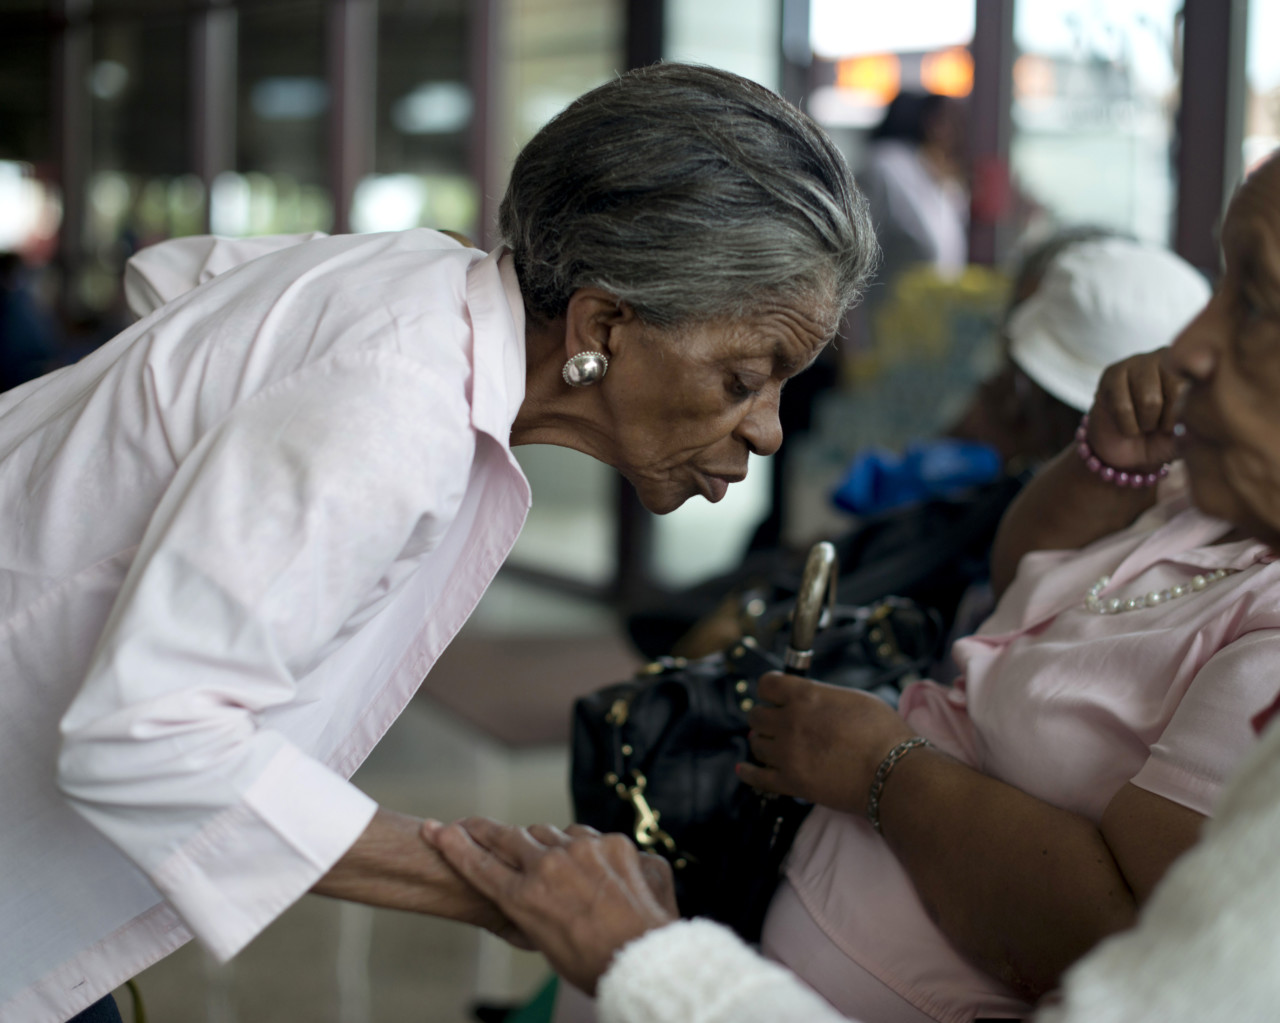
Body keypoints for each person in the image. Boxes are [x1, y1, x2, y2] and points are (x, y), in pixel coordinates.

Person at [0, 63, 876, 1022]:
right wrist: (500, 887)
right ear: (602, 324)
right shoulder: (398, 399)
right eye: (746, 376)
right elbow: (145, 739)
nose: (768, 429)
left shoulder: (428, 290)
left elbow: (170, 276)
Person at [425, 151, 1280, 1023]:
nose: (1193, 348)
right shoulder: (1195, 500)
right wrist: (1102, 462)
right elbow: (1025, 580)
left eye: (1252, 301)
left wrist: (881, 768)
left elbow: (1127, 941)